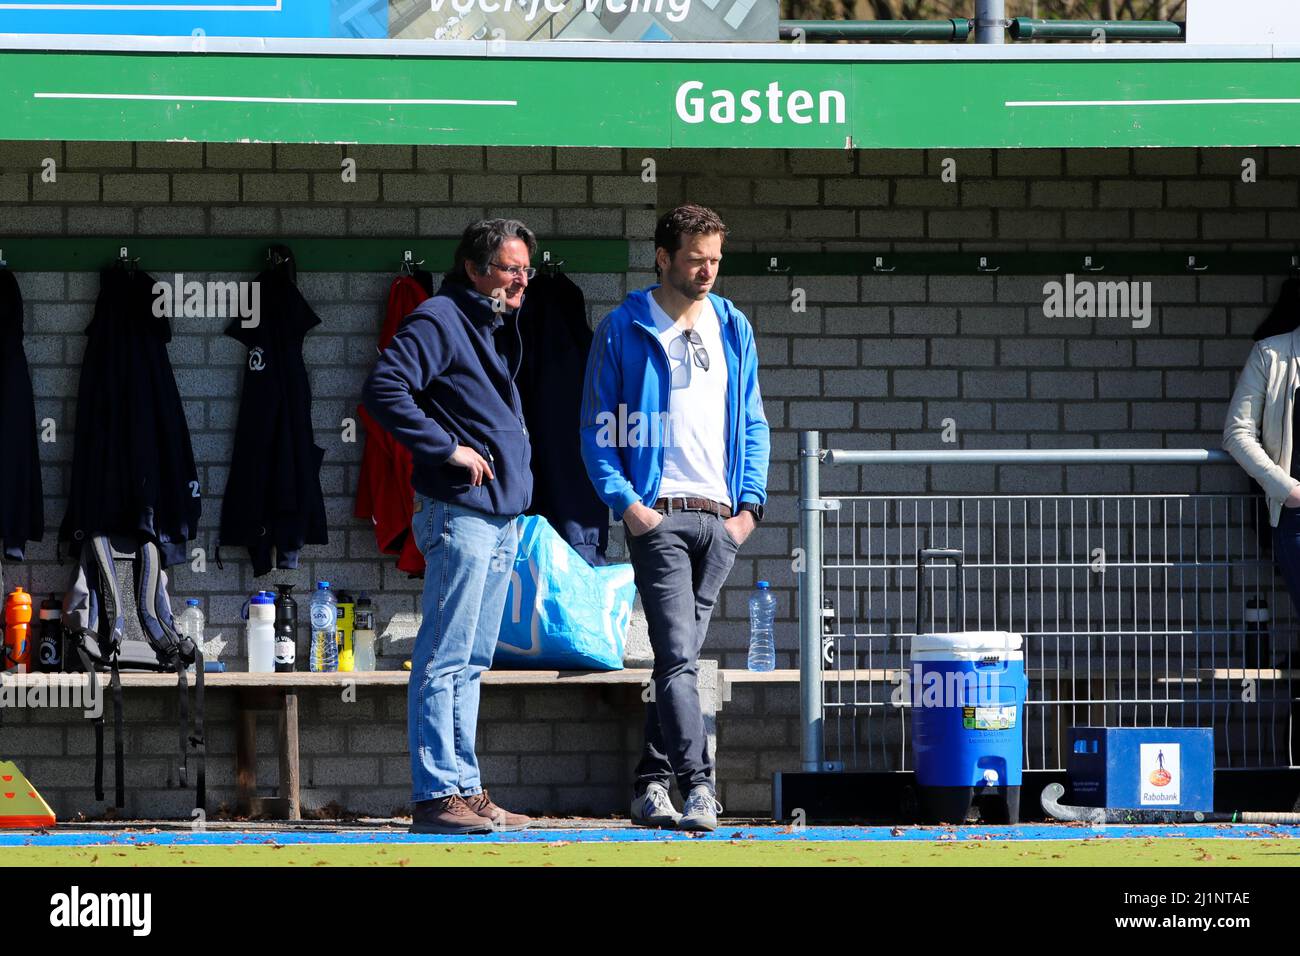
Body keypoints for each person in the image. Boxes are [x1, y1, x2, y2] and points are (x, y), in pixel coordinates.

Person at [580, 204, 770, 832]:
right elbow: (596, 429)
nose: (708, 271)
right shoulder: (624, 326)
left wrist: (748, 509)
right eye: (695, 260)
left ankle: (651, 784)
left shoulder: (733, 325)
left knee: (676, 658)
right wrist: (629, 507)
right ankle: (700, 787)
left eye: (715, 259)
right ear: (663, 257)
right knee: (680, 658)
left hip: (720, 522)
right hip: (657, 517)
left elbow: (753, 420)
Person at [362, 219, 536, 834]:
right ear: (474, 268)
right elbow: (384, 388)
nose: (521, 281)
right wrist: (446, 448)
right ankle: (436, 795)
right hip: (460, 516)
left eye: (525, 271)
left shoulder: (489, 326)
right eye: (510, 269)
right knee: (443, 656)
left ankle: (465, 787)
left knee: (470, 661)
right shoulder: (441, 317)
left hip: (497, 519)